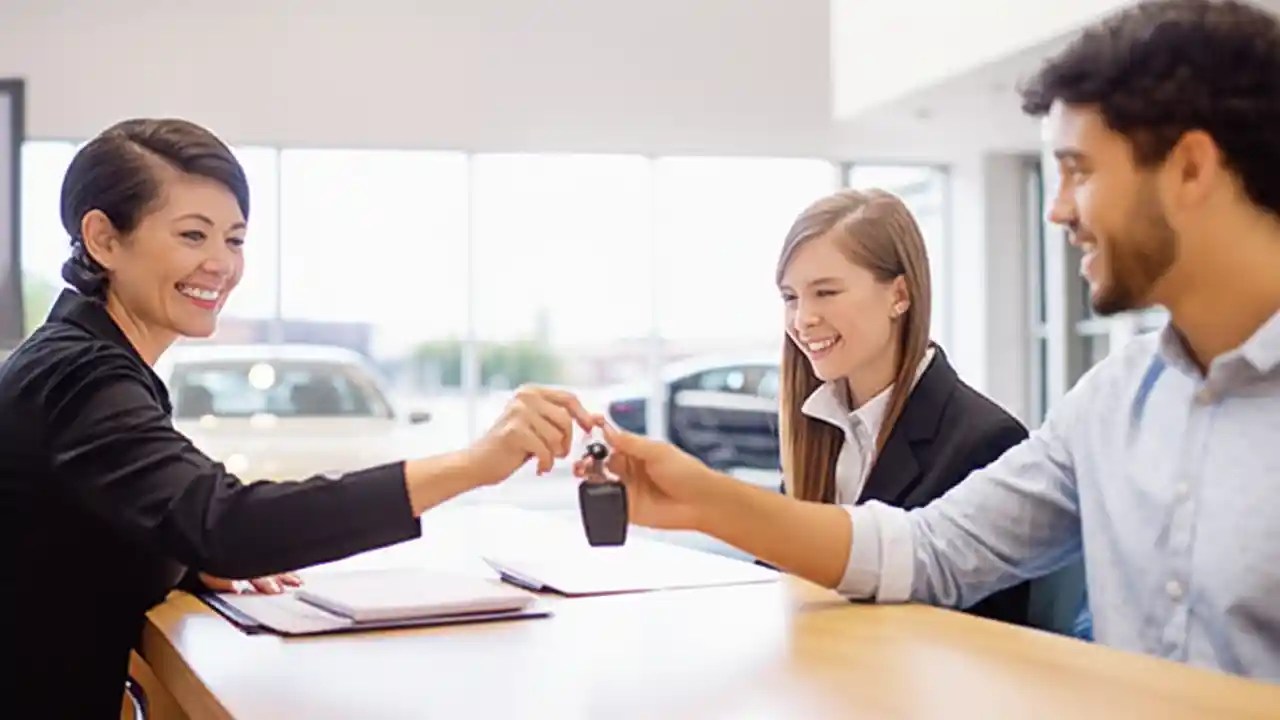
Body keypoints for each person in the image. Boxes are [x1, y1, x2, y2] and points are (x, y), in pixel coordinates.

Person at [585, 0, 1280, 681]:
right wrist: (705, 498)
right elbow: (930, 549)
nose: (1057, 208)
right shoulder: (1108, 403)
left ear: (1191, 169)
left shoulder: (1001, 425)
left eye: (1080, 170)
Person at [0, 118, 598, 717]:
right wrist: (473, 465)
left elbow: (108, 527)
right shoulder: (80, 374)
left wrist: (183, 561)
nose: (220, 265)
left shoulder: (80, 357)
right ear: (103, 239)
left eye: (233, 240)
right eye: (192, 235)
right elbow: (223, 524)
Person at [766, 188, 1034, 624]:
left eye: (826, 292)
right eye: (791, 297)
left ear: (899, 295)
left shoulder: (986, 440)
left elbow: (988, 635)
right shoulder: (816, 429)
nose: (802, 319)